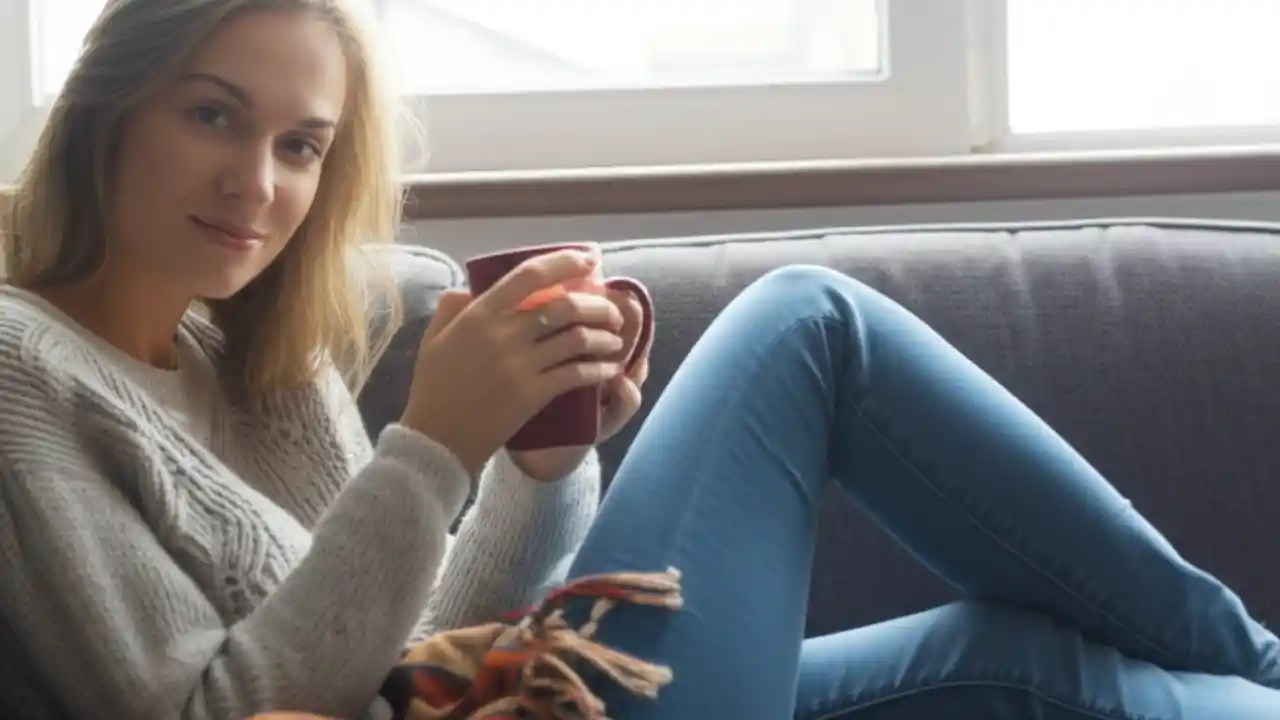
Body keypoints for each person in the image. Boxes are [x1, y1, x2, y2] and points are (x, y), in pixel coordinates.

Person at [0, 1, 1276, 719]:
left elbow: (429, 652)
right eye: (213, 115)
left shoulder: (249, 355)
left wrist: (538, 466)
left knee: (1014, 656)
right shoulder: (21, 369)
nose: (256, 182)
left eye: (300, 145)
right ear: (109, 110)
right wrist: (430, 447)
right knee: (807, 325)